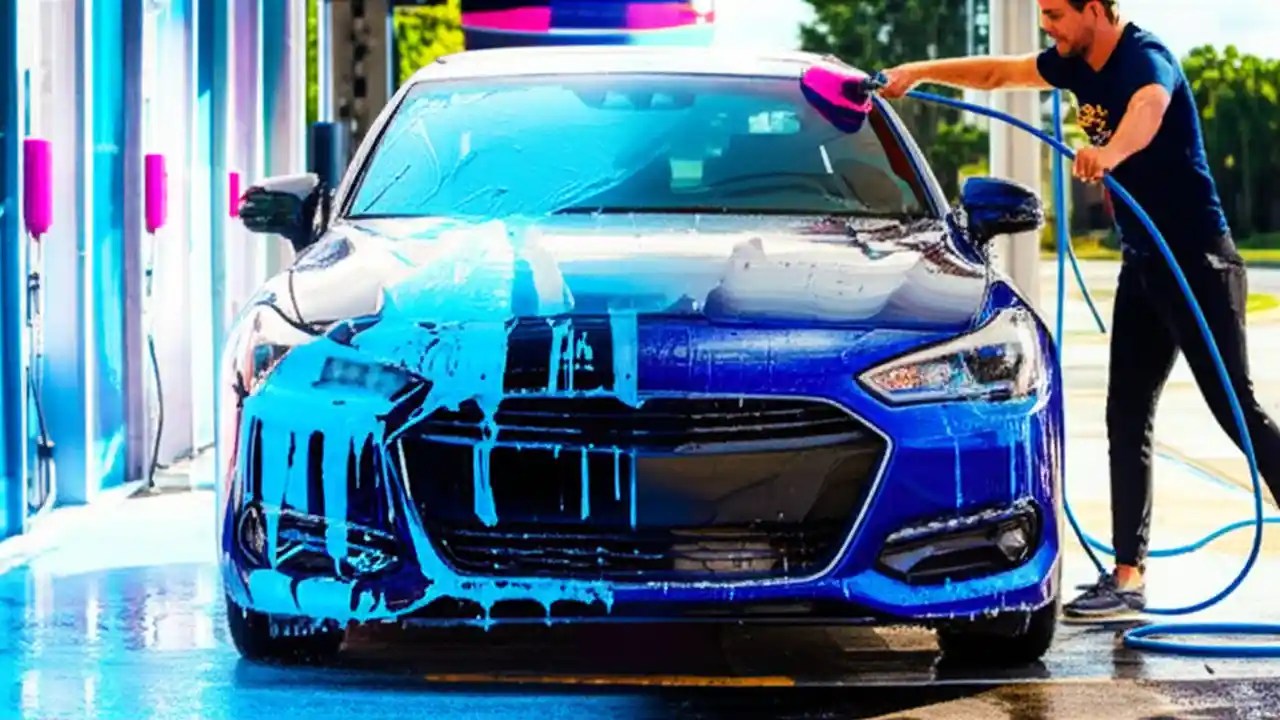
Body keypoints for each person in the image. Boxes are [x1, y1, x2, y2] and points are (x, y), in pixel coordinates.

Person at [877, 0, 1280, 621]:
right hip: (1146, 266)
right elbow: (998, 74)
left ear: (1096, 9)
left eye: (1057, 13)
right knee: (1126, 414)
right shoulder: (1073, 62)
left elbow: (1148, 108)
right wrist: (920, 72)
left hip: (1198, 264)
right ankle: (1128, 578)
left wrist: (1112, 152)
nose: (1048, 25)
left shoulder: (1145, 57)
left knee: (1236, 412)